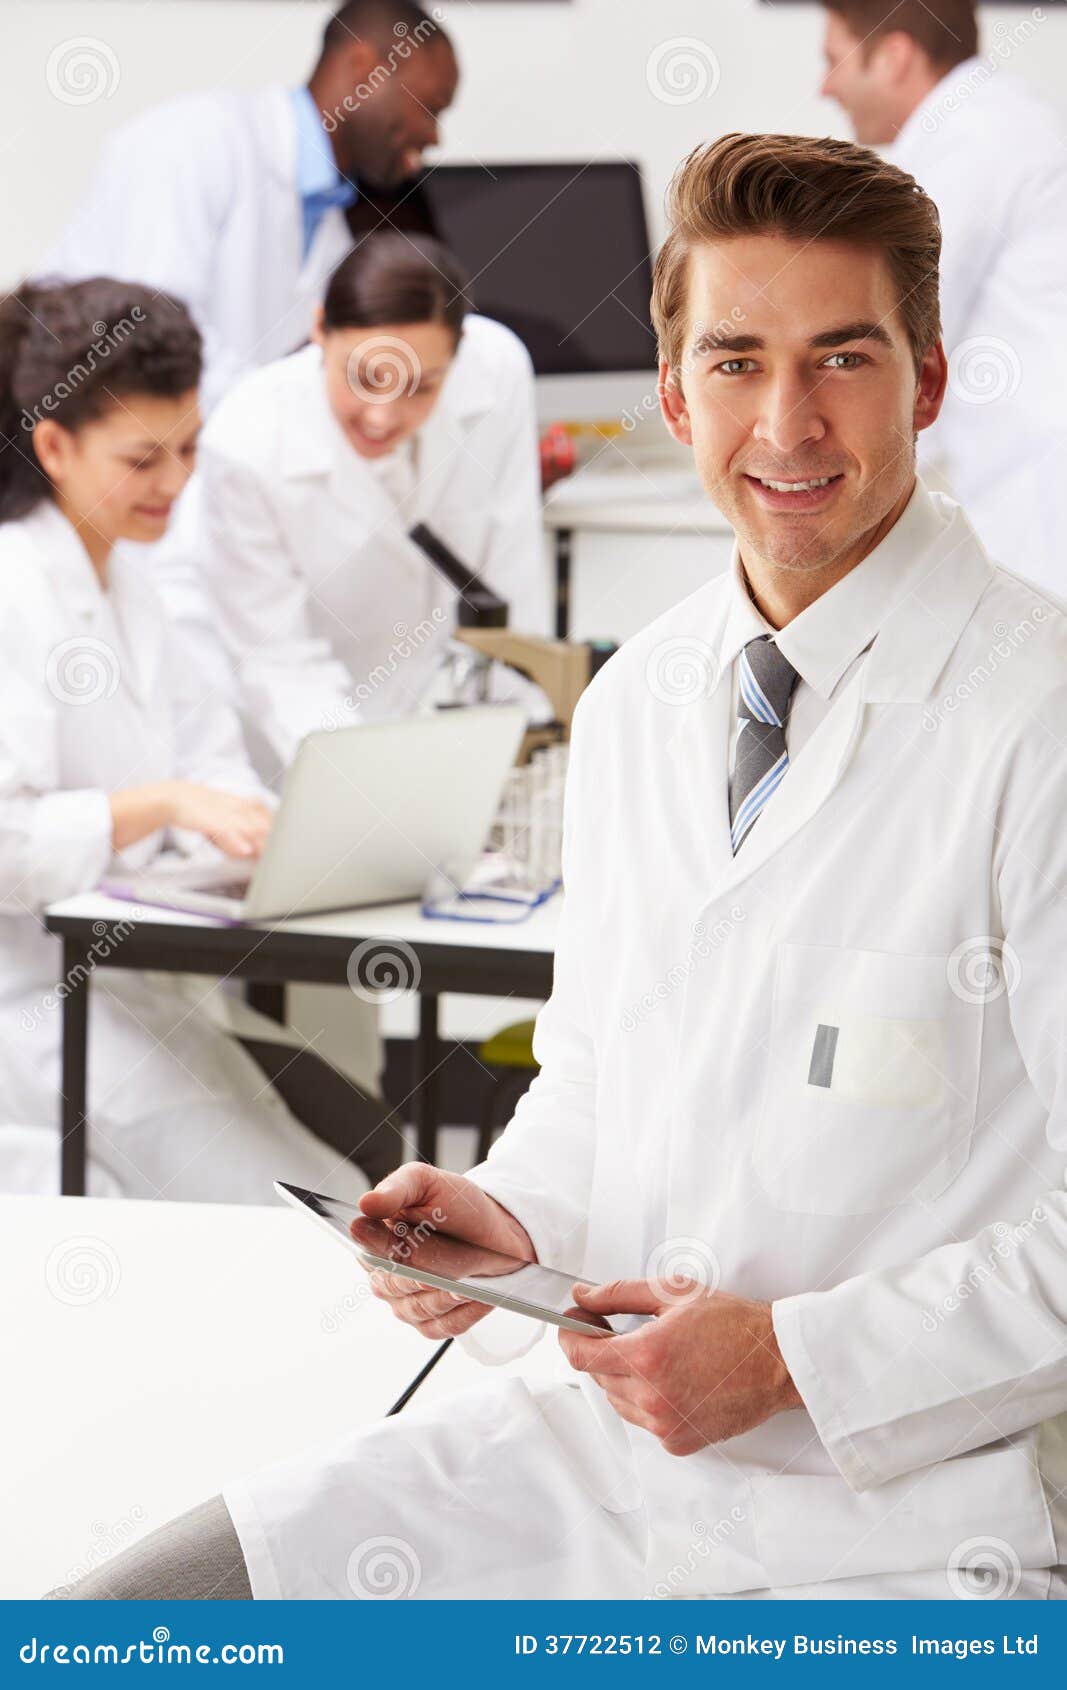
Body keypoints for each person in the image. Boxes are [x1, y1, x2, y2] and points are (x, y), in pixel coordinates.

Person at [52, 131, 1067, 1602]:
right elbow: (596, 1075)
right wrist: (510, 1220)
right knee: (117, 1624)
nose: (784, 421)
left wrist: (786, 1357)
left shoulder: (1032, 718)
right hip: (595, 1463)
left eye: (838, 359)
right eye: (732, 362)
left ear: (922, 380)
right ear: (672, 392)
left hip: (909, 1519)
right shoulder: (642, 698)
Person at [0, 279, 395, 1204]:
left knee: (351, 1161)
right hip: (28, 1008)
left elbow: (206, 758)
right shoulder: (12, 588)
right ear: (53, 445)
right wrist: (169, 806)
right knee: (291, 1204)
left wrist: (261, 824)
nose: (176, 482)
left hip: (135, 994)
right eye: (144, 458)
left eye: (187, 448)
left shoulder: (129, 587)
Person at [156, 231, 549, 776]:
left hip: (412, 711)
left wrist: (521, 737)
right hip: (277, 731)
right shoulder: (247, 440)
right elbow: (279, 662)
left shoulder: (496, 371)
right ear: (319, 329)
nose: (383, 416)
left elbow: (510, 571)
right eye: (363, 378)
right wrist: (363, 783)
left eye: (420, 387)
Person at [42, 1, 458, 411]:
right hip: (83, 447)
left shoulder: (332, 221)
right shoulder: (197, 141)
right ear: (365, 67)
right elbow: (150, 346)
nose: (433, 135)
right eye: (431, 107)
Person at [819, 0, 1067, 596]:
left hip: (1040, 503)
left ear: (895, 57)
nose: (825, 86)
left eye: (835, 61)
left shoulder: (976, 141)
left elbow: (892, 330)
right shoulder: (1001, 121)